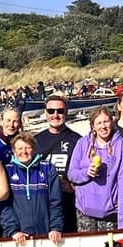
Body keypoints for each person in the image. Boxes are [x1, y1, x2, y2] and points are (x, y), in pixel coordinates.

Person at [68, 107, 123, 232]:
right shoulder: (82, 143)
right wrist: (86, 173)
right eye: (99, 123)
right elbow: (71, 174)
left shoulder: (122, 145)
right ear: (93, 126)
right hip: (85, 211)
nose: (103, 126)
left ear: (112, 122)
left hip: (110, 212)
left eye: (106, 121)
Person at [1, 132, 64, 243]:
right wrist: (13, 231)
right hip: (17, 235)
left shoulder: (47, 168)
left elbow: (55, 201)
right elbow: (4, 205)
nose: (24, 152)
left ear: (34, 149)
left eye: (28, 148)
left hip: (45, 233)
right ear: (14, 151)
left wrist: (56, 228)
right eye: (19, 148)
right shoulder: (7, 171)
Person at [34, 95, 81, 233]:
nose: (55, 115)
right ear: (45, 113)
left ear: (66, 112)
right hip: (42, 203)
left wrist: (74, 187)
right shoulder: (36, 140)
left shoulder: (78, 140)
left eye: (60, 111)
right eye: (51, 111)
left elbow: (86, 171)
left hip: (67, 203)